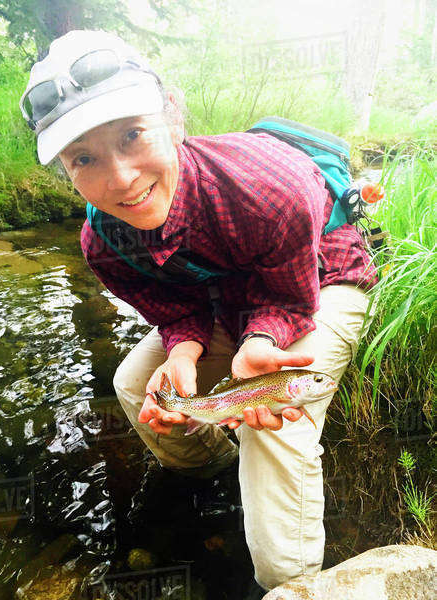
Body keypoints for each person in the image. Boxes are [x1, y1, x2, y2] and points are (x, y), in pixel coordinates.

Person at [20, 30, 377, 595]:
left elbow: (287, 298)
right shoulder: (100, 241)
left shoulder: (268, 186)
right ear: (65, 170)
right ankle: (210, 472)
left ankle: (292, 585)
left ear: (173, 119)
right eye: (83, 158)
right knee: (139, 386)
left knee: (274, 429)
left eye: (133, 135)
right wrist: (183, 350)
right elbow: (175, 306)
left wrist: (259, 343)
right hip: (220, 297)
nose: (119, 179)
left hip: (322, 279)